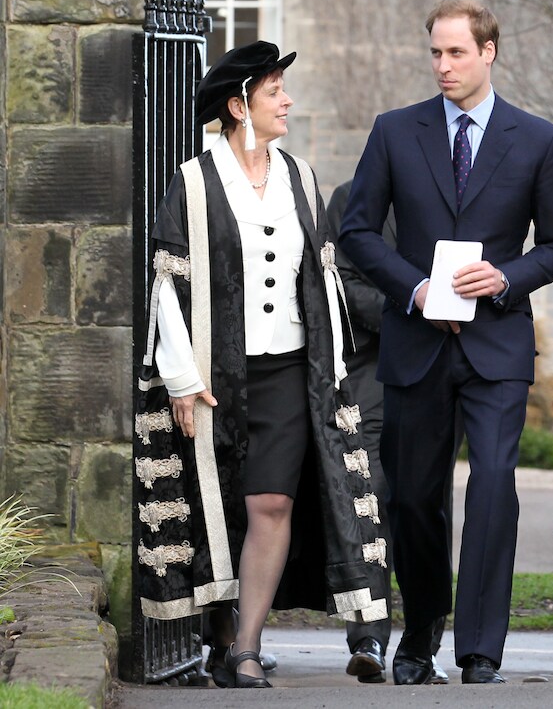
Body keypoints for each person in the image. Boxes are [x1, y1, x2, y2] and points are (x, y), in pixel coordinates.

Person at [133, 42, 387, 689]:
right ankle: (219, 636)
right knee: (221, 507)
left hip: (288, 370)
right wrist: (181, 378)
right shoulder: (194, 181)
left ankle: (246, 645)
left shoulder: (300, 176)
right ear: (239, 106)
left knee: (272, 501)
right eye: (275, 91)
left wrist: (332, 363)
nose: (288, 101)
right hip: (216, 375)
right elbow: (169, 284)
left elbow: (321, 277)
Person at [339, 0, 553, 685]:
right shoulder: (394, 131)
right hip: (416, 344)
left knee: (495, 487)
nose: (443, 66)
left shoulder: (537, 139)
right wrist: (414, 289)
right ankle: (420, 635)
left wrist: (505, 277)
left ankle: (480, 650)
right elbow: (357, 231)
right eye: (436, 53)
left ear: (488, 52)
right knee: (413, 500)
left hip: (497, 345)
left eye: (456, 53)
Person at [325, 181, 451, 685]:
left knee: (428, 506)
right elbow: (339, 283)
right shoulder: (352, 197)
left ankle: (423, 646)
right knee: (369, 497)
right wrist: (412, 307)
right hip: (372, 372)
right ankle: (368, 638)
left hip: (437, 371)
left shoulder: (455, 196)